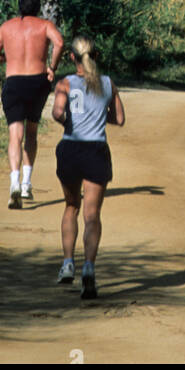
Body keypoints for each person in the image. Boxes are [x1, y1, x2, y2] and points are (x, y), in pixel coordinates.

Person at [52, 35, 125, 299]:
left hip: (71, 148)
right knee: (92, 215)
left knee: (71, 206)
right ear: (95, 56)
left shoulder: (65, 83)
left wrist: (71, 122)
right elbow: (119, 119)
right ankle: (90, 269)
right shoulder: (107, 84)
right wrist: (99, 116)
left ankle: (68, 263)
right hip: (96, 149)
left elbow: (58, 113)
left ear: (71, 57)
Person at [0, 0, 64, 208]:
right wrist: (52, 67)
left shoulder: (7, 27)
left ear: (19, 7)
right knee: (31, 131)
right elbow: (59, 43)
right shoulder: (45, 25)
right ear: (38, 7)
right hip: (37, 82)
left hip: (14, 82)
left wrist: (9, 58)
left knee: (14, 134)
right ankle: (27, 184)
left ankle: (14, 183)